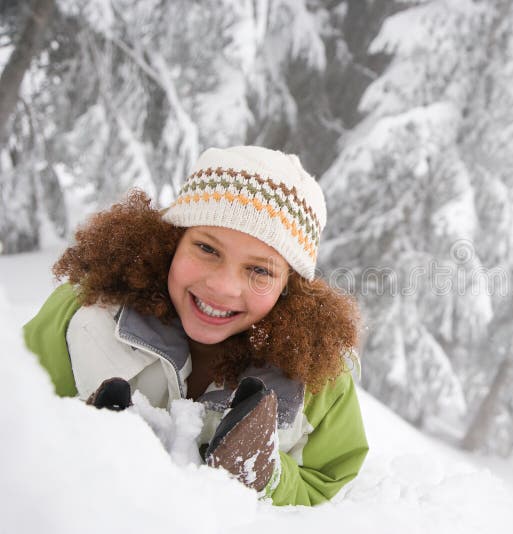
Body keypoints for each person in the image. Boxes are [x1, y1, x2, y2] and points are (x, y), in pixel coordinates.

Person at [23, 146, 368, 506]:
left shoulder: (317, 378)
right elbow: (16, 405)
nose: (222, 287)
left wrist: (269, 476)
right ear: (173, 240)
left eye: (260, 270)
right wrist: (76, 433)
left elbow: (329, 485)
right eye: (207, 248)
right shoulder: (86, 310)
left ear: (288, 287)